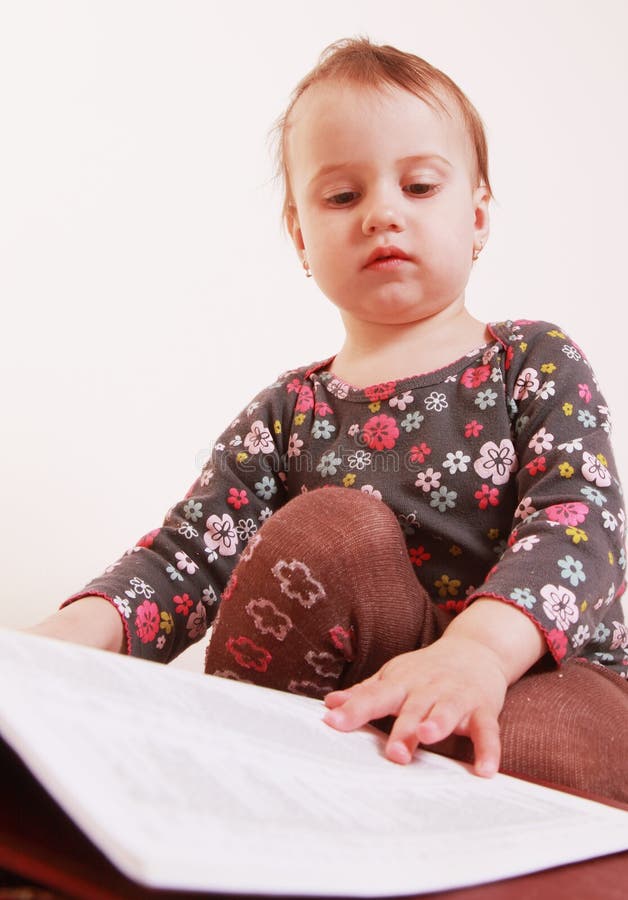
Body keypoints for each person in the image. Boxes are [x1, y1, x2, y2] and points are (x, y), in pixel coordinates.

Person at [28, 37, 628, 801]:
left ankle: (398, 791)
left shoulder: (531, 361)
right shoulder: (287, 414)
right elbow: (187, 558)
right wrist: (53, 648)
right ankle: (260, 785)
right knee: (326, 530)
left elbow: (581, 523)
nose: (382, 214)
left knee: (541, 751)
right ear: (300, 237)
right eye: (343, 197)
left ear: (478, 217)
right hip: (360, 701)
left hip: (538, 675)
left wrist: (477, 653)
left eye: (419, 186)